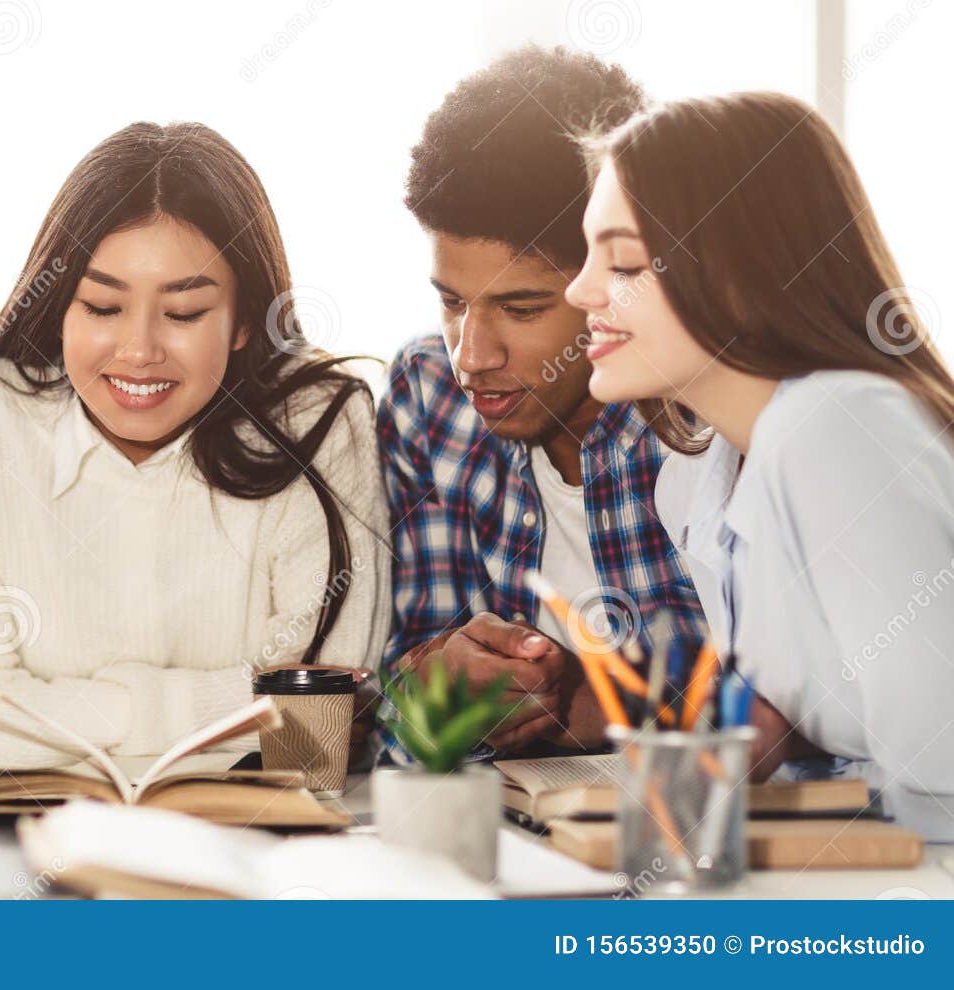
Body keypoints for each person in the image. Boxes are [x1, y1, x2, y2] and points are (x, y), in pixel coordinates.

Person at [0, 122, 389, 769]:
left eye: (184, 314)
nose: (138, 350)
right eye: (102, 307)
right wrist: (225, 707)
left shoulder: (319, 419)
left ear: (244, 320)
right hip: (20, 846)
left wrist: (64, 717)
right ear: (60, 307)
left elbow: (314, 729)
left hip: (261, 848)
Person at [567, 90, 954, 838]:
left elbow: (943, 778)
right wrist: (774, 726)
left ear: (738, 271)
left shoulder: (836, 426)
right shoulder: (696, 476)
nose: (579, 290)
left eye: (621, 261)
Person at [382, 46, 702, 752]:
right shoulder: (427, 396)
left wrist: (587, 705)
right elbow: (396, 697)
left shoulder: (702, 414)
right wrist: (437, 681)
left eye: (521, 308)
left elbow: (789, 701)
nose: (473, 355)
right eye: (452, 302)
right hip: (514, 838)